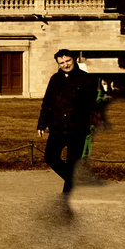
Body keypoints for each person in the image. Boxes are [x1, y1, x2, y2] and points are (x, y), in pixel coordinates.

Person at [37, 48, 95, 195]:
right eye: (61, 62)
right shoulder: (55, 79)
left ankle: (67, 195)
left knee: (72, 163)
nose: (65, 64)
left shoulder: (86, 79)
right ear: (58, 64)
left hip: (77, 129)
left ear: (74, 59)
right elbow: (47, 103)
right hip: (57, 128)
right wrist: (41, 124)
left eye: (67, 61)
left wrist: (90, 127)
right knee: (50, 157)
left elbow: (91, 106)